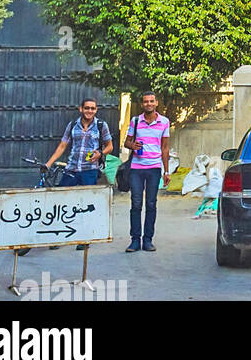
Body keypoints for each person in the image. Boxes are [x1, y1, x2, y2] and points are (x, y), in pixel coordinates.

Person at [124, 91, 170, 253]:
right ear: (142, 104)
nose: (148, 104)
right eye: (145, 102)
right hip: (137, 168)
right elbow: (126, 142)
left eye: (151, 101)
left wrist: (166, 171)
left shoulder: (164, 122)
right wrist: (132, 145)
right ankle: (135, 240)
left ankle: (148, 239)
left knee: (151, 204)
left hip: (154, 168)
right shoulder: (136, 121)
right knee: (136, 204)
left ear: (156, 103)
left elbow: (165, 147)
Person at [44, 98, 113, 186]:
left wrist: (100, 153)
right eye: (87, 108)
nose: (89, 111)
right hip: (71, 169)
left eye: (92, 108)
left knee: (87, 198)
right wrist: (48, 164)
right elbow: (62, 146)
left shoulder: (101, 125)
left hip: (90, 170)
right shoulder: (72, 125)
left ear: (96, 110)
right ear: (81, 109)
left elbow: (110, 147)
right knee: (63, 197)